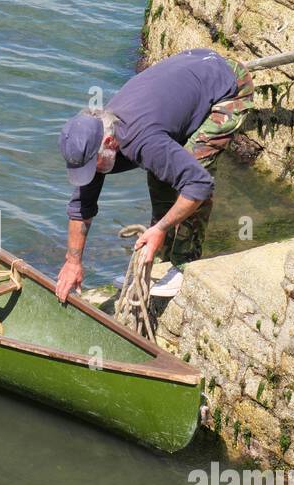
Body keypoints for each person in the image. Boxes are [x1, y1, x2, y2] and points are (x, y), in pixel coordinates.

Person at [56, 48, 254, 303]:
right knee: (160, 173)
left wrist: (160, 227)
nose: (91, 173)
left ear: (108, 141)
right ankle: (159, 258)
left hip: (229, 86)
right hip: (193, 71)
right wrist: (73, 262)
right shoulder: (97, 140)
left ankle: (183, 265)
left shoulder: (142, 140)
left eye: (91, 165)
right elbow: (81, 206)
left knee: (195, 168)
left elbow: (199, 186)